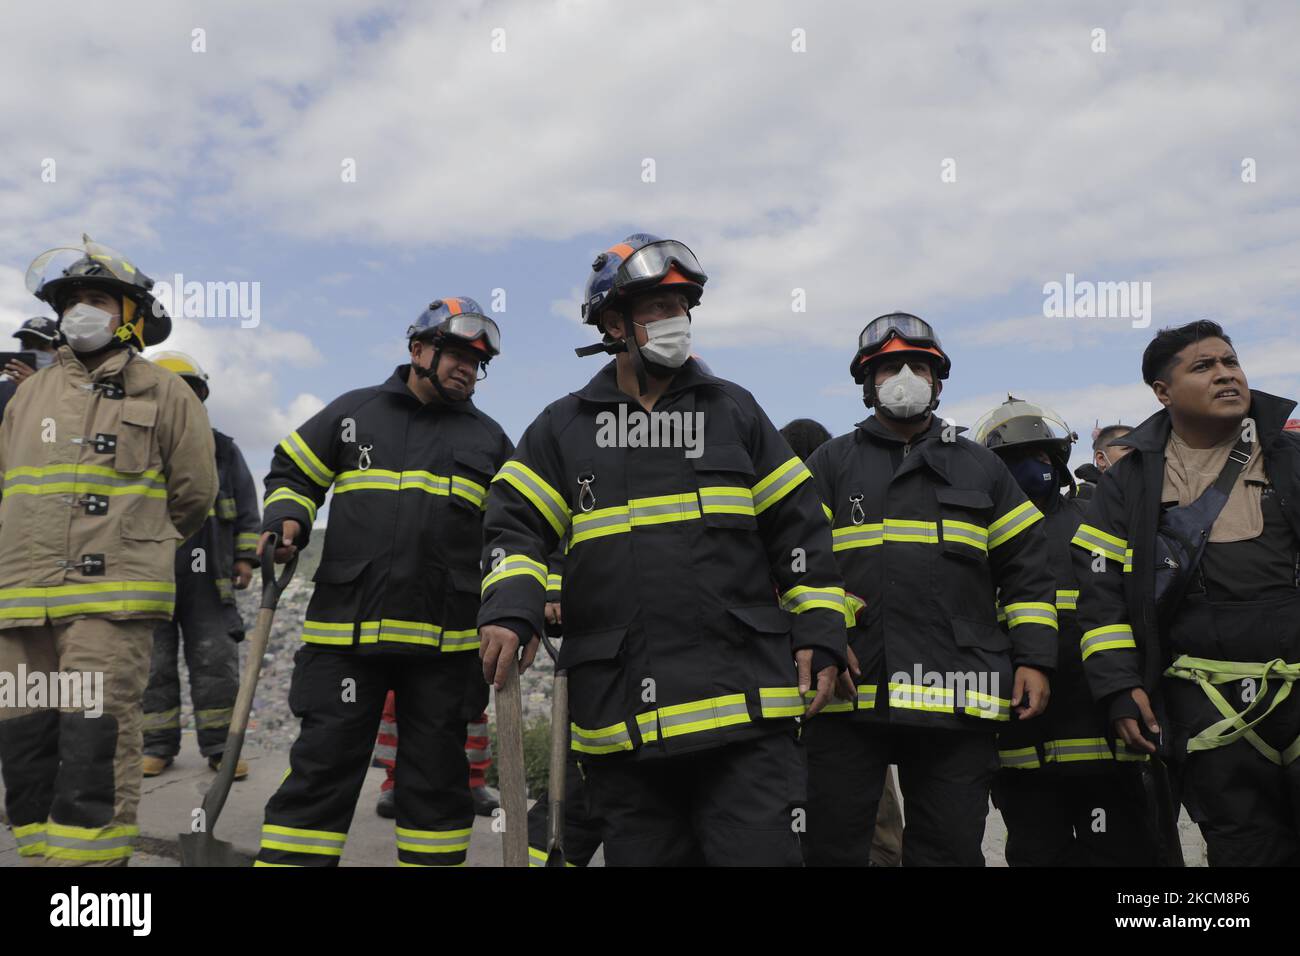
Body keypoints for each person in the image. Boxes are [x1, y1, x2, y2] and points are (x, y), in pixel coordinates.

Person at [477, 233, 848, 866]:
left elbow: (800, 528)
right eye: (656, 308)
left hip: (748, 723)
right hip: (624, 730)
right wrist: (513, 604)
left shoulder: (735, 411)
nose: (676, 322)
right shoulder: (562, 429)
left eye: (682, 307)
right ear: (614, 323)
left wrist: (819, 628)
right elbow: (512, 526)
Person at [254, 298, 512, 867]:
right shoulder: (354, 414)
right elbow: (293, 471)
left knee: (438, 785)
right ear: (418, 349)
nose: (468, 368)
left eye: (478, 361)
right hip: (346, 640)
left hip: (445, 649)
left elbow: (514, 528)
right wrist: (287, 519)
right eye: (458, 355)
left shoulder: (490, 440)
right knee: (321, 770)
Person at [801, 312, 1057, 867]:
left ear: (938, 382)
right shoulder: (830, 464)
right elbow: (795, 564)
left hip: (956, 695)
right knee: (830, 846)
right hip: (851, 694)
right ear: (867, 383)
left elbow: (1028, 572)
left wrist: (1035, 658)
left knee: (948, 850)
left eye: (918, 365)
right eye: (889, 366)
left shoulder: (982, 468)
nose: (905, 375)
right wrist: (822, 632)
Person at [0, 235, 216, 865]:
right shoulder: (26, 398)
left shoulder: (166, 392)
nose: (81, 311)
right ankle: (46, 865)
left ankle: (94, 878)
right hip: (19, 600)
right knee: (25, 739)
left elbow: (194, 495)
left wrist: (131, 543)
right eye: (73, 300)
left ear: (130, 316)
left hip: (111, 599)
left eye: (97, 298)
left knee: (94, 738)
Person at [1073, 319, 1300, 866]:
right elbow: (1098, 591)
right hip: (1206, 709)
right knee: (1243, 851)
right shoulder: (1129, 482)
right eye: (1204, 366)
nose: (1227, 375)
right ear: (1162, 391)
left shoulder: (1291, 457)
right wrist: (1119, 688)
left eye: (1231, 361)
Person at [975, 397, 1157, 865]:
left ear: (1058, 461)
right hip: (1021, 748)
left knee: (1122, 853)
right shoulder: (978, 537)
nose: (1032, 468)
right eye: (1015, 460)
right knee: (1037, 853)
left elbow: (1125, 613)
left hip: (1104, 735)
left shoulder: (1095, 519)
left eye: (1040, 456)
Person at [782, 415, 904, 866]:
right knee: (874, 833)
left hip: (835, 707)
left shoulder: (803, 520)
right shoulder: (796, 522)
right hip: (834, 707)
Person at [140, 352, 260, 781]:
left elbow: (246, 505)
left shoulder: (222, 449)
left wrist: (246, 558)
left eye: (189, 391)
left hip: (209, 575)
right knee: (152, 665)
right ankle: (155, 746)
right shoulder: (136, 446)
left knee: (215, 663)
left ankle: (220, 749)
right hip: (148, 572)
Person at [0, 317, 61, 421]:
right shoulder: (3, 388)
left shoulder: (69, 389)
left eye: (42, 346)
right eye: (26, 344)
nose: (33, 351)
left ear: (59, 350)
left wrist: (36, 389)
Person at [1074, 423, 1133, 497]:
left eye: (1139, 450)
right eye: (1127, 448)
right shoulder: (1083, 495)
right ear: (1101, 459)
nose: (1137, 455)